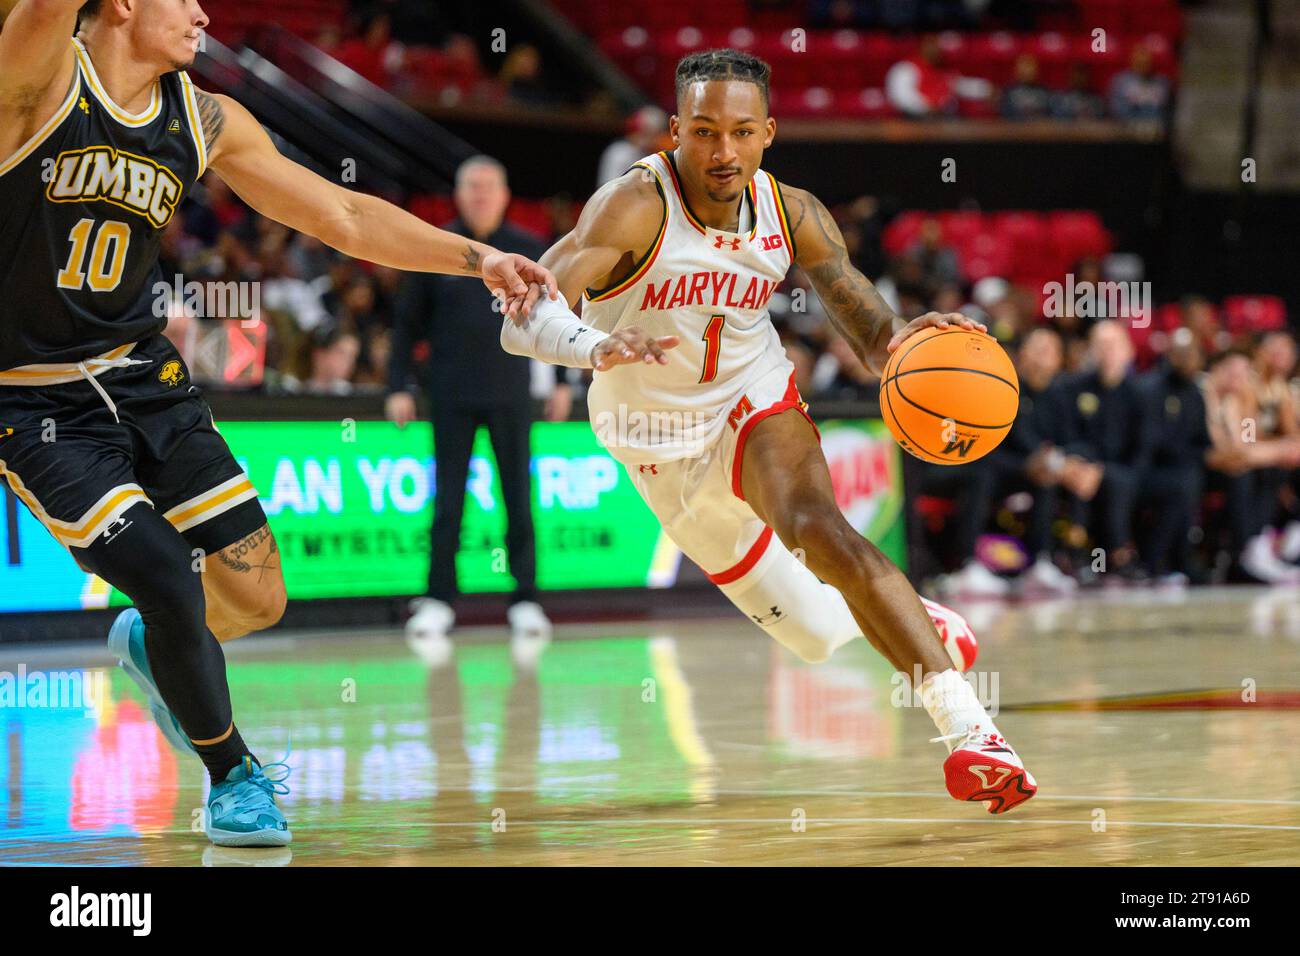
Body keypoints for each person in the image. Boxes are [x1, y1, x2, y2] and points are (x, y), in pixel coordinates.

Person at [0, 0, 556, 848]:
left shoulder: (206, 116)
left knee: (256, 595)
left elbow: (343, 215)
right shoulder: (37, 77)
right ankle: (235, 778)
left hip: (146, 379)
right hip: (33, 400)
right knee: (166, 574)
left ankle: (156, 647)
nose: (201, 11)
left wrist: (476, 258)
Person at [501, 49, 1037, 813]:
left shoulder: (792, 211)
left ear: (768, 133)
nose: (723, 152)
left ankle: (971, 733)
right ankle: (922, 618)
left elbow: (864, 317)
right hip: (654, 439)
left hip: (752, 399)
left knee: (820, 527)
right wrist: (591, 345)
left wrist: (908, 341)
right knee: (816, 636)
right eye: (705, 131)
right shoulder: (634, 206)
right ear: (675, 131)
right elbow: (521, 316)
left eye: (742, 132)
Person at [387, 156, 567, 657]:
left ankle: (526, 598)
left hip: (512, 392)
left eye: (490, 186)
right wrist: (397, 385)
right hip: (450, 394)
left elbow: (556, 319)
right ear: (459, 195)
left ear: (505, 195)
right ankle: (439, 598)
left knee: (517, 495)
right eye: (472, 187)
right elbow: (406, 325)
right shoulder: (439, 250)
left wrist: (561, 379)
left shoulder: (529, 251)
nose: (481, 195)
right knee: (447, 500)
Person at [1055, 321, 1152, 583]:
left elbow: (1144, 449)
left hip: (1126, 469)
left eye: (1114, 345)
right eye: (1101, 345)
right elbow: (1067, 437)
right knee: (1078, 477)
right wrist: (1088, 465)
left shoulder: (1141, 394)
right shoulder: (1072, 388)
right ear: (1091, 351)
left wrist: (1103, 470)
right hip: (1083, 466)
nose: (1108, 352)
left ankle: (1117, 555)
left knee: (1117, 481)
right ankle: (1078, 556)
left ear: (1129, 351)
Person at [1134, 328, 1212, 584]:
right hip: (1145, 471)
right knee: (1183, 485)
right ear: (1170, 355)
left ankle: (1229, 555)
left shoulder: (1195, 393)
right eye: (1183, 354)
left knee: (1196, 479)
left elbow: (1203, 440)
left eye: (1194, 354)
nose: (1189, 360)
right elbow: (1153, 444)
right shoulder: (1151, 389)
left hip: (1182, 470)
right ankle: (1157, 561)